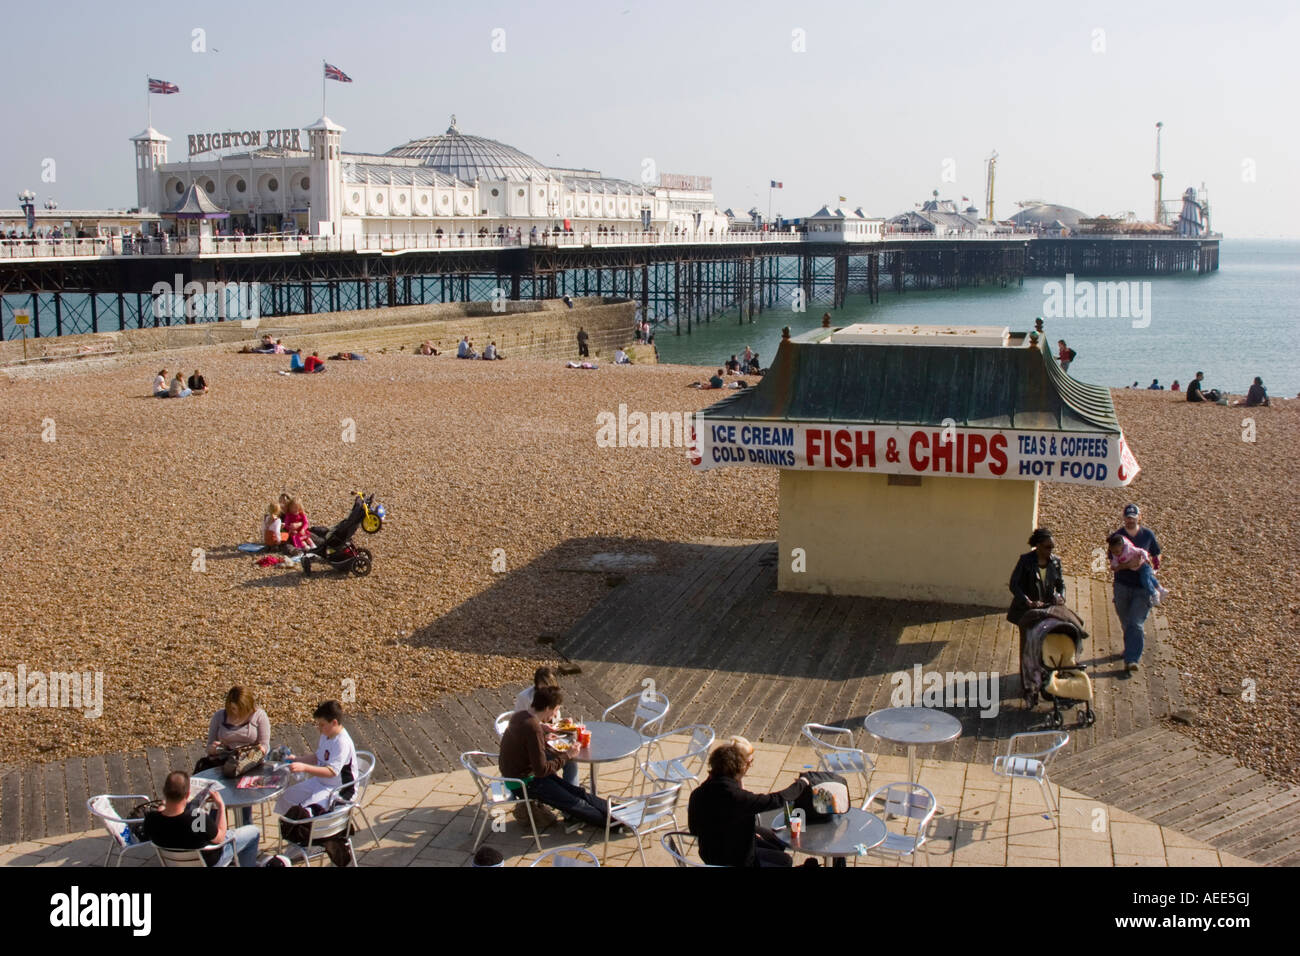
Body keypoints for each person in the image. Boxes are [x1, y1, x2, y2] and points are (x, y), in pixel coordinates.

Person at [499, 685, 611, 830]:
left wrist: (543, 740)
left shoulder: (520, 716)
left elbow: (522, 745)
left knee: (578, 792)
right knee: (574, 802)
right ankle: (613, 823)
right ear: (547, 708)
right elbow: (542, 770)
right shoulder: (533, 727)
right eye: (556, 710)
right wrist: (568, 755)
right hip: (523, 782)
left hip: (518, 775)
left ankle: (614, 810)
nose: (555, 714)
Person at [687, 742, 809, 867]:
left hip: (710, 855)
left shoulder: (697, 794)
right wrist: (802, 783)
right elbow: (776, 800)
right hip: (738, 860)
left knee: (772, 840)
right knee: (785, 860)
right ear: (738, 769)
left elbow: (694, 829)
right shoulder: (737, 797)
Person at [142, 770, 260, 867]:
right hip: (207, 862)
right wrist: (221, 807)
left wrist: (163, 807)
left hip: (172, 862)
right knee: (253, 832)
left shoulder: (151, 819)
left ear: (164, 792)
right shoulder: (197, 819)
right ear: (187, 795)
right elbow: (220, 838)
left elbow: (160, 822)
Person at [198, 686, 272, 824]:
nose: (235, 712)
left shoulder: (259, 716)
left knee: (244, 792)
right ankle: (211, 829)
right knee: (213, 793)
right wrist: (214, 749)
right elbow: (209, 747)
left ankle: (245, 825)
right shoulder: (219, 716)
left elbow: (265, 746)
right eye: (232, 708)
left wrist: (258, 751)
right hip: (224, 761)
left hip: (249, 763)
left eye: (238, 708)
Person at [275, 700, 359, 816]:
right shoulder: (326, 735)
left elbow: (332, 771)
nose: (319, 728)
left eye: (322, 725)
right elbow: (317, 757)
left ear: (334, 722)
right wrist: (296, 759)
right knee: (286, 797)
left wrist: (304, 768)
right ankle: (289, 827)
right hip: (320, 782)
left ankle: (304, 830)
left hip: (338, 788)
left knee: (303, 812)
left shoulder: (342, 743)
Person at [1112, 504, 1162, 673]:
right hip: (1122, 586)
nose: (1130, 520)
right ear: (1123, 517)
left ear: (1139, 517)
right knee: (1126, 622)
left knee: (1136, 623)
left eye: (1133, 517)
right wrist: (1128, 565)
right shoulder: (1116, 537)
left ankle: (1132, 659)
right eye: (1127, 517)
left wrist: (1154, 567)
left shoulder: (1147, 535)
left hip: (1142, 588)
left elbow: (1156, 552)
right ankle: (1129, 648)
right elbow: (1114, 565)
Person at [511, 667, 579, 786]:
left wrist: (562, 722)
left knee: (571, 761)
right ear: (536, 686)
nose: (547, 691)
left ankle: (572, 789)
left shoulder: (554, 695)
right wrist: (542, 728)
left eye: (550, 687)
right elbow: (520, 723)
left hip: (550, 739)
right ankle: (564, 792)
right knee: (561, 761)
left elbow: (553, 719)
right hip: (534, 745)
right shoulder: (526, 698)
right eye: (543, 687)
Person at [1006, 528, 1066, 625]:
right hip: (1026, 610)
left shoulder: (1056, 562)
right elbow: (1014, 585)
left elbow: (1061, 585)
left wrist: (1061, 597)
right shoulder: (1025, 561)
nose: (1050, 550)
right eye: (1047, 547)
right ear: (1038, 546)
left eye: (1052, 547)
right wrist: (1028, 601)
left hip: (1047, 608)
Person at [1108, 530, 1169, 606]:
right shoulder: (1115, 554)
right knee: (1150, 578)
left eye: (1117, 551)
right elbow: (1115, 561)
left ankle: (1154, 594)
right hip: (1137, 569)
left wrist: (1146, 558)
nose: (1115, 553)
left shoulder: (1129, 549)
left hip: (1144, 566)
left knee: (1145, 580)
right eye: (1113, 552)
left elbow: (1142, 551)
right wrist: (1114, 565)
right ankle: (1161, 590)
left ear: (1122, 547)